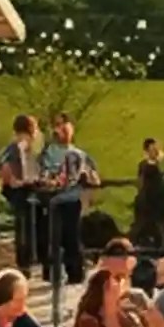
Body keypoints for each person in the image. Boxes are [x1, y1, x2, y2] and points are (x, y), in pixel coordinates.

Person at [37, 114, 99, 284]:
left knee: (72, 238)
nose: (63, 130)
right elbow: (41, 175)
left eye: (66, 126)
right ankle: (52, 274)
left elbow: (94, 178)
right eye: (59, 126)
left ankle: (75, 275)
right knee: (53, 238)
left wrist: (88, 178)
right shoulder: (48, 153)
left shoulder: (79, 154)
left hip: (72, 201)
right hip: (53, 202)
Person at [68, 268, 151, 327]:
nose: (122, 291)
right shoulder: (89, 321)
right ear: (104, 290)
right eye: (115, 287)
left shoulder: (125, 316)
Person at [0, 115, 42, 274]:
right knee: (25, 226)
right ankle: (26, 262)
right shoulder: (22, 147)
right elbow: (6, 168)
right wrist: (16, 181)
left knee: (26, 225)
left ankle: (27, 261)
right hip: (21, 190)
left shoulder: (15, 147)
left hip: (23, 189)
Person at [131, 138, 164, 249]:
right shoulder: (145, 166)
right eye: (153, 149)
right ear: (146, 152)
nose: (156, 152)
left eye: (157, 149)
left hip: (162, 205)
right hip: (147, 205)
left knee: (163, 232)